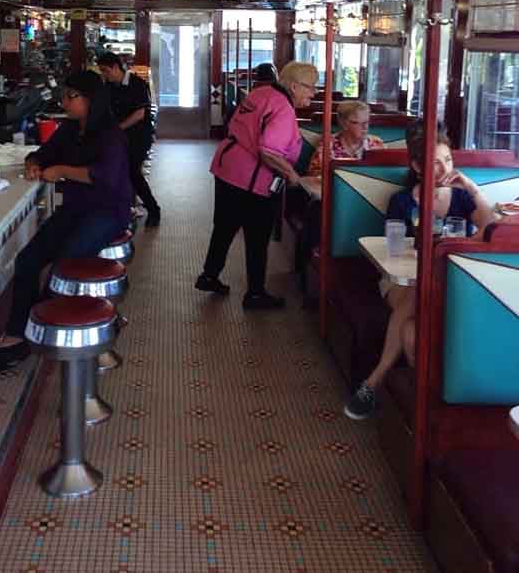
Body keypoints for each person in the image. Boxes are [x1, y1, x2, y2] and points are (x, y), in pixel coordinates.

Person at [0, 71, 132, 373]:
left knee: (65, 263)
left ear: (91, 99)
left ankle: (37, 329)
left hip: (107, 211)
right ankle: (17, 330)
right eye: (65, 95)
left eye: (71, 96)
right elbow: (43, 153)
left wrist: (62, 169)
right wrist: (34, 163)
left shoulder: (110, 134)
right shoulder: (70, 128)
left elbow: (103, 176)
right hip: (75, 209)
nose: (64, 101)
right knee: (27, 260)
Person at [344, 124, 495, 420]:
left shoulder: (463, 199)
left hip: (449, 283)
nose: (443, 168)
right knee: (416, 290)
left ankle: (376, 383)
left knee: (411, 329)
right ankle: (375, 382)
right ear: (417, 166)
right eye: (435, 162)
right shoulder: (401, 202)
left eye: (448, 161)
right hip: (400, 283)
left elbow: (490, 227)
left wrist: (473, 188)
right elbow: (393, 252)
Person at [195, 61, 318, 310]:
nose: (313, 93)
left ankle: (209, 275)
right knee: (257, 236)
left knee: (225, 226)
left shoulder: (261, 93)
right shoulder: (283, 108)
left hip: (227, 165)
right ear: (294, 86)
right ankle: (255, 293)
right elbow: (269, 151)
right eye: (310, 87)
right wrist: (292, 175)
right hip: (250, 178)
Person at [97, 52, 161, 227]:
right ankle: (124, 208)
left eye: (105, 70)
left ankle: (153, 210)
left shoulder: (137, 84)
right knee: (118, 171)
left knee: (132, 172)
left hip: (139, 136)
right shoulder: (109, 86)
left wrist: (117, 128)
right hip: (119, 136)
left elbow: (139, 114)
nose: (104, 74)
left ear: (116, 67)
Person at [307, 100, 384, 177]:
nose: (365, 127)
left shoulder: (376, 143)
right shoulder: (328, 144)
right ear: (343, 124)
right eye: (357, 122)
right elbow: (314, 175)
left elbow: (384, 174)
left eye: (366, 122)